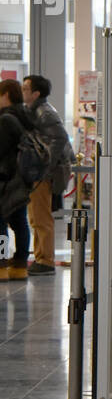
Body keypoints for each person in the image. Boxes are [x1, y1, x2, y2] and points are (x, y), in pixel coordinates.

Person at [21, 74, 75, 276]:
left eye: (26, 89)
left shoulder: (44, 112)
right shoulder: (35, 111)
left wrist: (46, 166)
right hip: (40, 172)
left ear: (36, 93)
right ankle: (41, 256)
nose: (22, 92)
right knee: (35, 216)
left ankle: (46, 260)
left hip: (44, 174)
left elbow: (59, 139)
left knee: (41, 217)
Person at [0, 80, 33, 282]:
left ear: (6, 94)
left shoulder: (6, 119)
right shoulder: (26, 115)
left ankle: (1, 264)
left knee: (0, 223)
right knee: (20, 222)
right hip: (22, 178)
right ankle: (20, 265)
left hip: (5, 178)